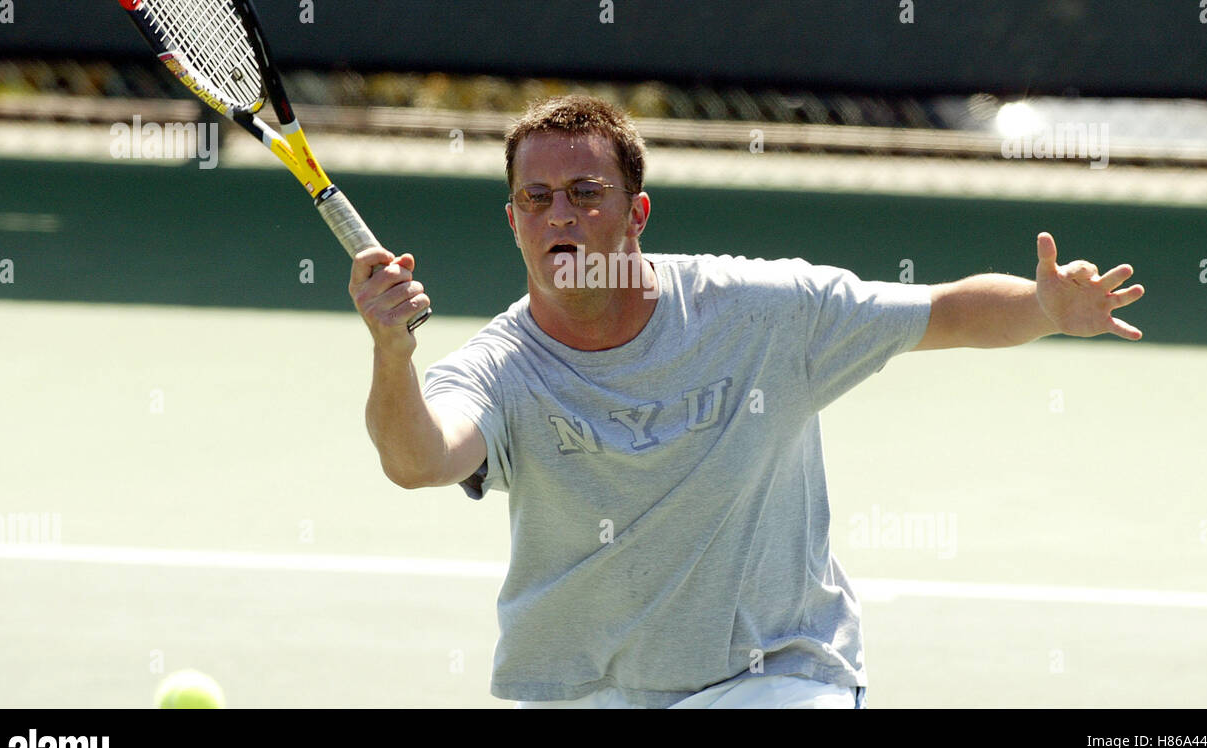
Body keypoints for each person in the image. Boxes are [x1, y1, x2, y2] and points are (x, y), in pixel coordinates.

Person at [347, 94, 1145, 709]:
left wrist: (1045, 309)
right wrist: (393, 351)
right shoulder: (500, 366)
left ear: (637, 213)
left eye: (587, 191)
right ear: (514, 219)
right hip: (582, 687)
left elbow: (944, 311)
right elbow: (419, 458)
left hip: (773, 675)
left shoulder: (763, 310)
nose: (561, 213)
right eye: (537, 196)